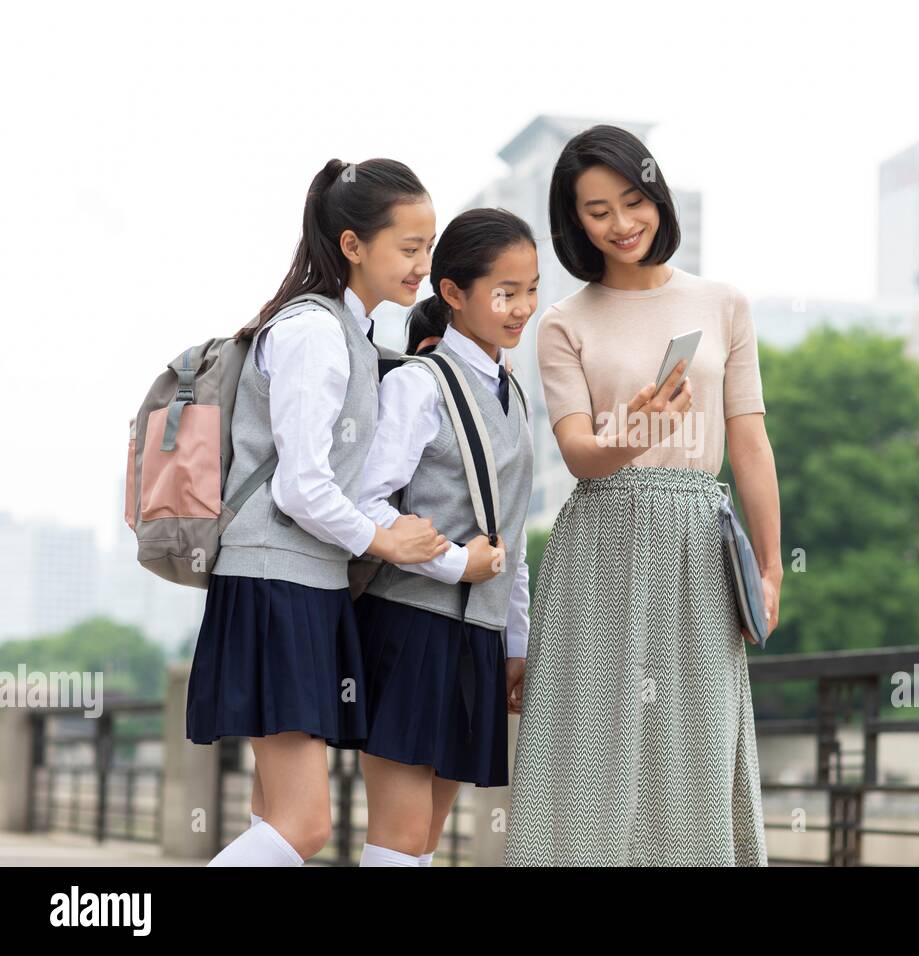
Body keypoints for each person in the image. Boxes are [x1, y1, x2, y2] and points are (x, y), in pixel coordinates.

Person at [504, 126, 782, 866]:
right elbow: (579, 454)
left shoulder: (723, 303)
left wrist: (771, 567)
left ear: (657, 195)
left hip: (700, 540)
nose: (622, 224)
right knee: (587, 740)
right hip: (601, 539)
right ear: (575, 221)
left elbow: (750, 445)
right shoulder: (563, 321)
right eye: (598, 211)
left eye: (633, 200)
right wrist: (640, 426)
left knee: (694, 737)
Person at [186, 158, 448, 866]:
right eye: (409, 247)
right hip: (276, 584)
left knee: (274, 818)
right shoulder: (314, 332)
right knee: (303, 827)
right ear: (353, 245)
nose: (422, 264)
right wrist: (387, 542)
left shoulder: (352, 335)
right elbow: (299, 487)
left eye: (428, 247)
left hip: (301, 586)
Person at [352, 209, 538, 866]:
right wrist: (458, 563)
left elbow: (508, 538)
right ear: (454, 294)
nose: (521, 308)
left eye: (531, 289)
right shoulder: (417, 384)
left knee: (425, 842)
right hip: (410, 626)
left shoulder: (514, 393)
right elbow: (366, 506)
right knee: (399, 841)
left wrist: (517, 644)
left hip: (478, 640)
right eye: (504, 292)